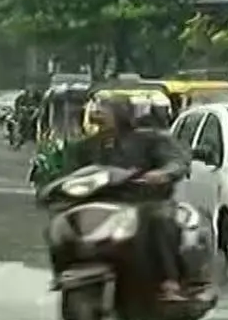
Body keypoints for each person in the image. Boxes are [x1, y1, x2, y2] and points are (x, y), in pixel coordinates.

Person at [62, 94, 190, 302]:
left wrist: (163, 174)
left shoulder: (150, 139)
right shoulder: (86, 147)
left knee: (158, 220)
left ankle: (169, 281)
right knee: (67, 220)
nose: (97, 112)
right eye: (96, 108)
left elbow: (175, 161)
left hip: (144, 201)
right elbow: (70, 175)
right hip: (102, 205)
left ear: (121, 113)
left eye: (105, 108)